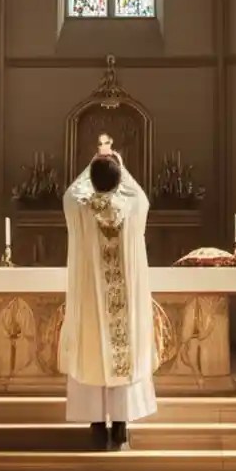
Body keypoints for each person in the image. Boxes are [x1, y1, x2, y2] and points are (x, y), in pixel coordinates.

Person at [60, 134, 157, 451]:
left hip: (91, 302)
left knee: (93, 354)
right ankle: (121, 425)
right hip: (124, 304)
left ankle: (98, 425)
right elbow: (139, 193)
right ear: (119, 179)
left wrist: (95, 162)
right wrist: (118, 163)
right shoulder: (132, 206)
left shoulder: (80, 207)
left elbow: (72, 191)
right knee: (122, 357)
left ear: (92, 179)